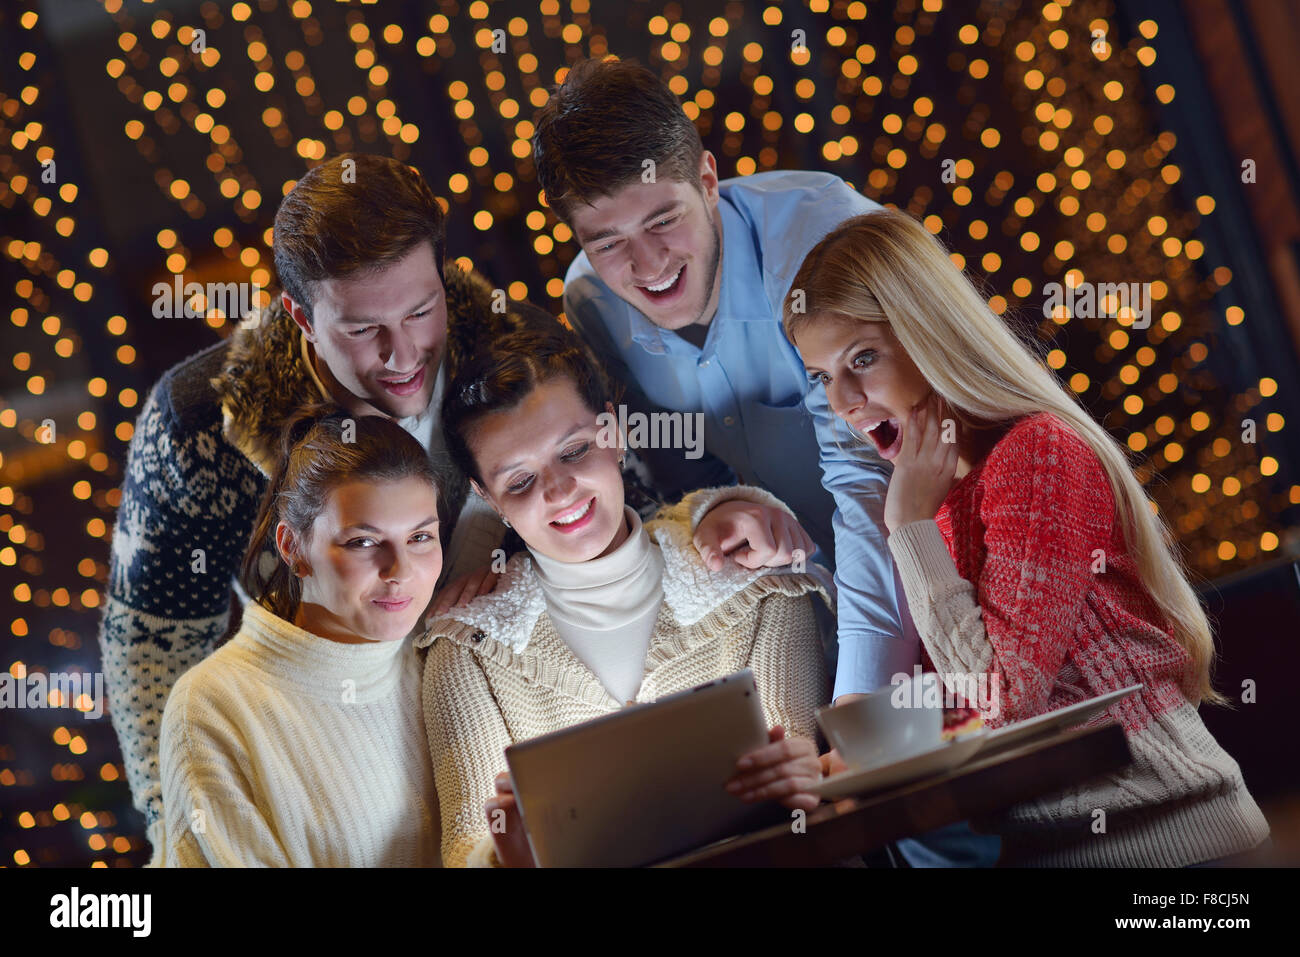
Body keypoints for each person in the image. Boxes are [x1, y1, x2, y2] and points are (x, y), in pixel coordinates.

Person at [99, 151, 797, 861]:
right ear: (302, 318)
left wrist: (716, 507)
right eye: (362, 330)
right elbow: (150, 642)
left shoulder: (514, 347)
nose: (402, 353)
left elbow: (621, 501)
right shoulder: (197, 422)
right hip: (322, 761)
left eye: (421, 310)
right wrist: (178, 812)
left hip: (494, 729)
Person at [532, 57, 996, 867]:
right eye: (607, 242)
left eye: (662, 221)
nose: (646, 267)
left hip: (952, 569)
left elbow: (867, 489)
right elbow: (667, 477)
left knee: (942, 823)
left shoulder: (822, 240)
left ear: (708, 178)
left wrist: (857, 707)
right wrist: (718, 508)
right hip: (796, 607)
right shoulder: (590, 300)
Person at [785, 209, 1272, 867]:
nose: (843, 400)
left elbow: (1006, 707)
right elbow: (974, 711)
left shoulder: (1032, 454)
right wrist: (833, 763)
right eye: (822, 376)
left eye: (862, 359)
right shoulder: (938, 499)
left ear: (929, 334)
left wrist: (909, 529)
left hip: (1172, 844)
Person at [420, 321, 831, 867]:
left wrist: (806, 776)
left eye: (574, 451)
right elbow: (464, 849)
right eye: (518, 482)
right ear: (488, 499)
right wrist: (503, 858)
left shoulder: (757, 580)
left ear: (613, 432)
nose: (559, 491)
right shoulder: (469, 651)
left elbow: (806, 775)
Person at [158, 411, 442, 866]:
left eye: (421, 537)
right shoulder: (212, 706)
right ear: (293, 548)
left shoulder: (445, 648)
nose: (401, 572)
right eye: (363, 542)